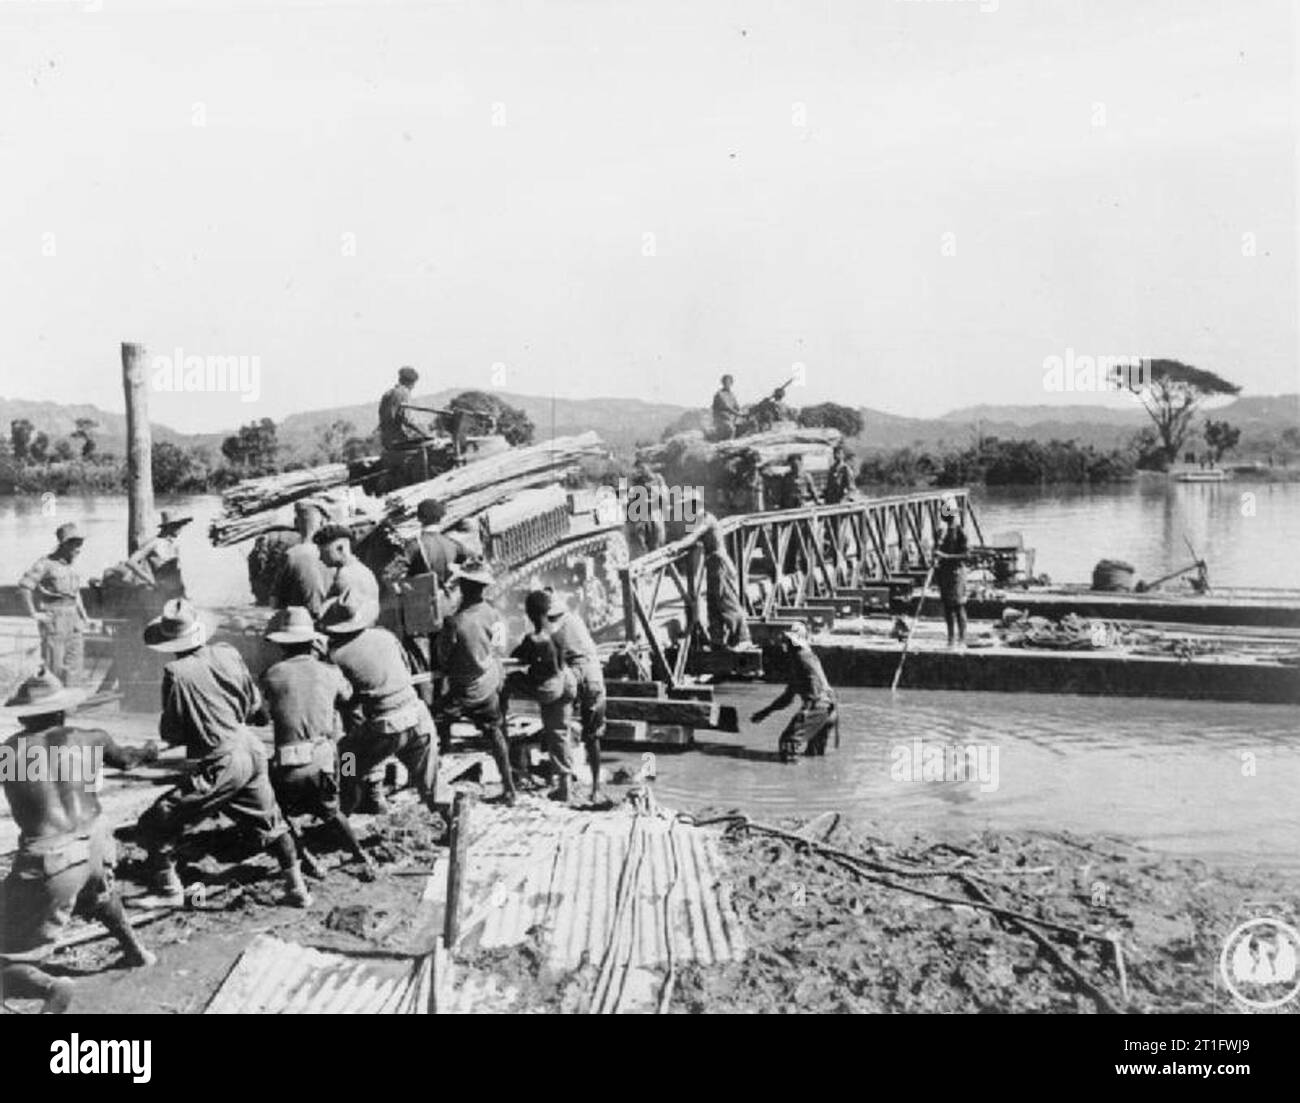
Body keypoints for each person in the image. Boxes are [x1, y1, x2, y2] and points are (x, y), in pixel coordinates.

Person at [133, 599, 312, 908]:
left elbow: (173, 732)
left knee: (156, 821)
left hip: (220, 761)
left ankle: (168, 890)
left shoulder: (176, 672)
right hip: (250, 748)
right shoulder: (228, 652)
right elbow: (254, 706)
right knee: (272, 823)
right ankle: (297, 888)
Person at [0, 671, 158, 1013]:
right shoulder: (91, 738)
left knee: (5, 959)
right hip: (97, 841)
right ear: (62, 712)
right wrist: (148, 751)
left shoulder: (7, 753)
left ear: (24, 715)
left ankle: (53, 988)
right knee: (100, 894)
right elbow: (129, 759)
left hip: (51, 855)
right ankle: (136, 951)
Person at [261, 607, 377, 881]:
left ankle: (307, 859)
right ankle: (360, 851)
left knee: (278, 812)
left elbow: (262, 715)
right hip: (329, 761)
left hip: (287, 767)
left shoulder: (270, 675)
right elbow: (350, 699)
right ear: (314, 640)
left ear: (280, 643)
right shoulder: (331, 670)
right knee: (335, 806)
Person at [323, 594, 439, 816]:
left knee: (347, 755)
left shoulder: (337, 656)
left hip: (385, 727)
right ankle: (451, 822)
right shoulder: (385, 636)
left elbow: (345, 698)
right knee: (430, 784)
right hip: (418, 716)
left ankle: (346, 808)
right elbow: (404, 669)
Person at [435, 562, 516, 805]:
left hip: (465, 690)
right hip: (490, 681)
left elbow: (443, 658)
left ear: (464, 587)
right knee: (495, 731)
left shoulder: (454, 622)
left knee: (436, 718)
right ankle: (510, 786)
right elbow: (500, 644)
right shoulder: (493, 613)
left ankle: (440, 766)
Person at [507, 590, 578, 803]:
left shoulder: (534, 637)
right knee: (559, 732)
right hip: (568, 681)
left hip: (551, 687)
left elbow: (516, 656)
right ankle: (565, 785)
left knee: (511, 680)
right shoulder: (560, 631)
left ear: (530, 614)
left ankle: (499, 722)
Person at [544, 592, 606, 803]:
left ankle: (565, 786)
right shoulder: (576, 620)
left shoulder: (551, 630)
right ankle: (596, 789)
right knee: (593, 735)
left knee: (559, 726)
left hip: (573, 673)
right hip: (594, 673)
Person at [749, 622, 837, 761]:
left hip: (818, 706)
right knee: (814, 757)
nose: (784, 646)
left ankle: (790, 779)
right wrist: (766, 712)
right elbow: (788, 697)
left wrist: (805, 713)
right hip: (829, 710)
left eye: (788, 642)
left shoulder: (800, 658)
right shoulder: (805, 657)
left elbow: (812, 692)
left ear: (794, 643)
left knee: (787, 743)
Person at [18, 523, 91, 689]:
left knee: (75, 664)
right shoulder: (45, 563)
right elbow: (25, 586)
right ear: (64, 544)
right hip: (54, 617)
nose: (79, 548)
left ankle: (70, 708)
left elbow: (75, 593)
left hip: (74, 618)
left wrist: (84, 615)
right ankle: (52, 709)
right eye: (75, 544)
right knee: (54, 664)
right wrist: (34, 614)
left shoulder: (70, 566)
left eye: (80, 544)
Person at [696, 514, 751, 648]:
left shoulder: (707, 519)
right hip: (712, 563)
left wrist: (677, 546)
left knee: (726, 600)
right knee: (713, 601)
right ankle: (717, 640)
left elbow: (693, 536)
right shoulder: (698, 519)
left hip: (719, 563)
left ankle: (742, 638)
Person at [274, 499, 330, 618]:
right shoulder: (332, 554)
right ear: (322, 523)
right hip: (330, 621)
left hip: (300, 623)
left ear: (296, 523)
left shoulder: (291, 555)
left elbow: (275, 601)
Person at [123, 511, 193, 604]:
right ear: (169, 526)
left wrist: (185, 595)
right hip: (162, 591)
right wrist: (150, 580)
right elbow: (131, 562)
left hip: (178, 591)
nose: (181, 529)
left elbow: (177, 572)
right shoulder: (154, 543)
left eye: (181, 525)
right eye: (178, 525)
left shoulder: (173, 544)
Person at [934, 496, 969, 649]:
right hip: (944, 573)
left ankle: (962, 639)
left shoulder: (960, 532)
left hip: (956, 573)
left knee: (958, 606)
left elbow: (966, 555)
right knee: (948, 608)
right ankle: (950, 639)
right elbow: (937, 551)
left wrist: (946, 556)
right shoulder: (942, 531)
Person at [316, 523, 380, 606]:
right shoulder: (360, 570)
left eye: (324, 553)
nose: (320, 558)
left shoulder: (345, 576)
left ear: (340, 549)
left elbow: (336, 616)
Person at [378, 366, 424, 451]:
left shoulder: (388, 394)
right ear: (410, 383)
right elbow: (407, 420)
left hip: (387, 441)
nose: (413, 387)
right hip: (399, 441)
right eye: (413, 384)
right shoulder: (404, 393)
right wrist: (424, 432)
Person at [629, 459, 669, 554]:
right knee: (639, 533)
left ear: (648, 467)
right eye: (638, 469)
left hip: (656, 510)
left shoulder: (657, 478)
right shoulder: (637, 481)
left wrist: (656, 499)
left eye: (643, 467)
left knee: (658, 534)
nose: (641, 470)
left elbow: (664, 494)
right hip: (642, 511)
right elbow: (631, 498)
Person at [711, 374, 741, 440]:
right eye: (725, 382)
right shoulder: (719, 394)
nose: (727, 384)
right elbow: (727, 407)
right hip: (721, 420)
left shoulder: (731, 394)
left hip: (730, 419)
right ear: (722, 383)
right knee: (731, 429)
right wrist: (739, 414)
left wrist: (741, 413)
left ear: (731, 383)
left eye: (729, 382)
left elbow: (737, 406)